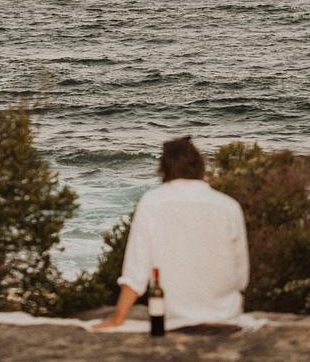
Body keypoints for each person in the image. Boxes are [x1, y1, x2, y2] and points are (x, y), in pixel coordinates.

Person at [93, 136, 249, 330]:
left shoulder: (151, 203)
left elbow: (136, 275)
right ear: (201, 165)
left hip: (174, 320)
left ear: (163, 168)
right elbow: (241, 277)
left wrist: (118, 318)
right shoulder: (228, 206)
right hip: (226, 318)